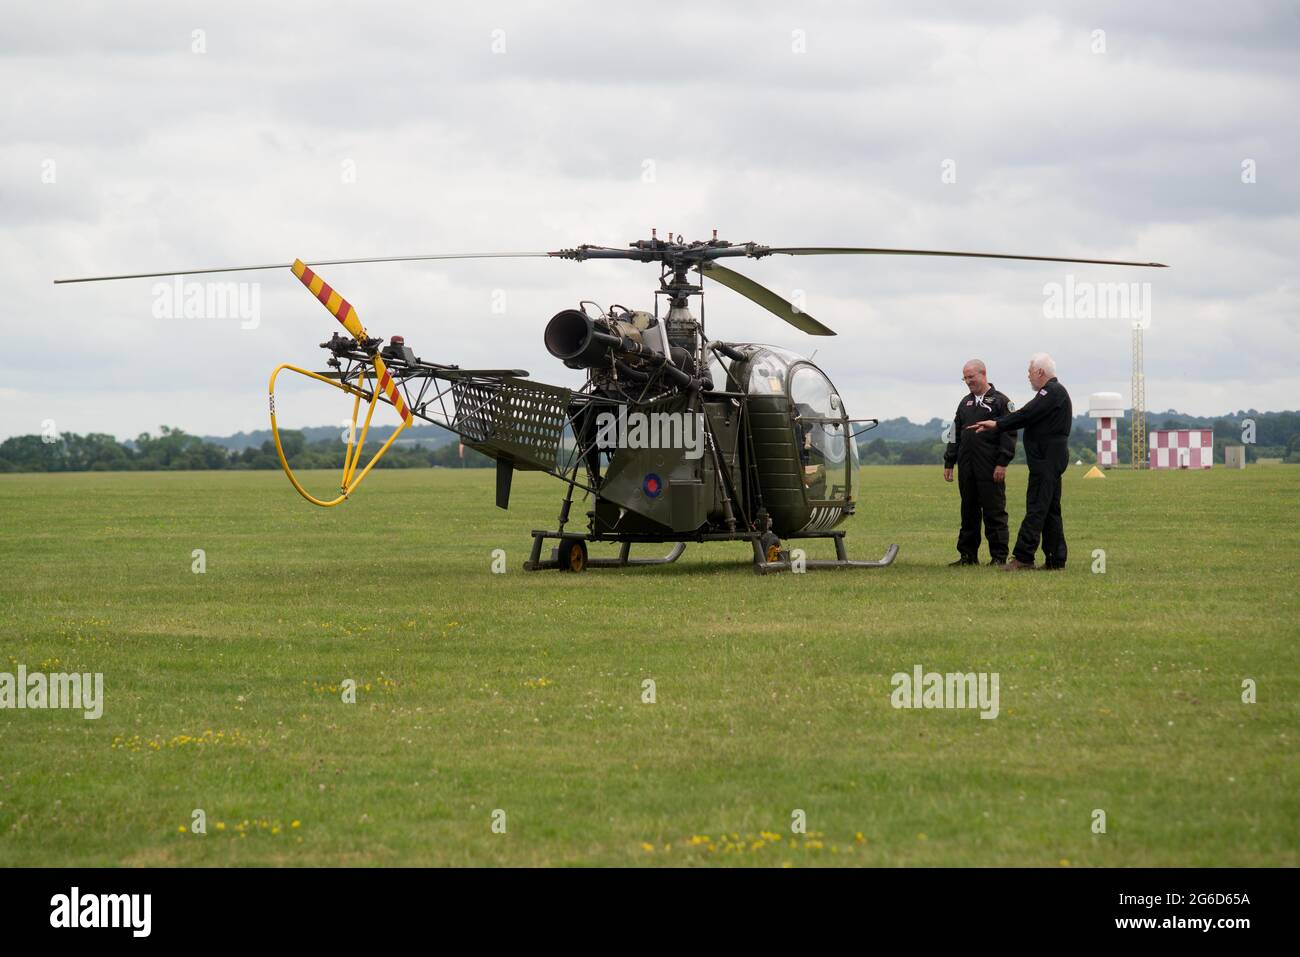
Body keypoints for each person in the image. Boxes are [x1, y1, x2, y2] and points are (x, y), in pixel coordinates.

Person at [968, 353, 1072, 571]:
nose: (1028, 377)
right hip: (1050, 458)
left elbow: (1026, 414)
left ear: (1040, 372)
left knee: (1036, 506)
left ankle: (1023, 557)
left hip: (1047, 459)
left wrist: (996, 424)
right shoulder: (1052, 392)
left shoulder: (1051, 391)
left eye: (1030, 372)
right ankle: (1056, 558)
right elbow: (1028, 414)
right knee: (1050, 509)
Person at [942, 360, 1017, 565]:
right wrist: (949, 462)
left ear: (983, 374)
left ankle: (999, 557)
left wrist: (1002, 463)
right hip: (967, 466)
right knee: (968, 511)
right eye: (965, 378)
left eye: (971, 377)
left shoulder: (1001, 402)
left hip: (991, 467)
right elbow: (953, 433)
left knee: (994, 512)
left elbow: (1009, 434)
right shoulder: (964, 403)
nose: (967, 382)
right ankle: (967, 556)